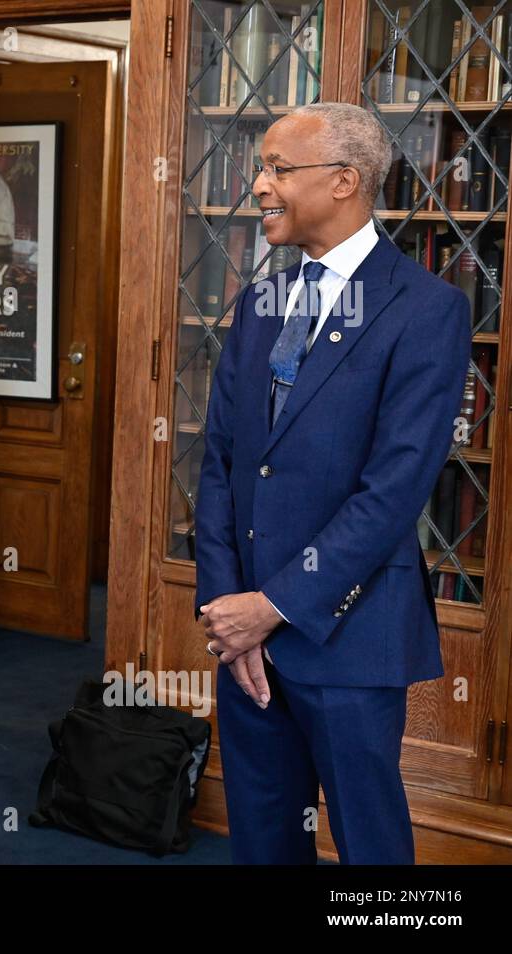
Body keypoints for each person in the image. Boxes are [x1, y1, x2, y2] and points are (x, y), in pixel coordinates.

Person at [195, 102, 470, 864]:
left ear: (345, 180)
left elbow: (393, 491)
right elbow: (220, 463)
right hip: (244, 645)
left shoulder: (426, 310)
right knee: (261, 838)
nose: (259, 186)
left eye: (278, 169)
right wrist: (227, 610)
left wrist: (274, 607)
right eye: (261, 169)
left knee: (369, 846)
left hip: (348, 637)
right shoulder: (259, 305)